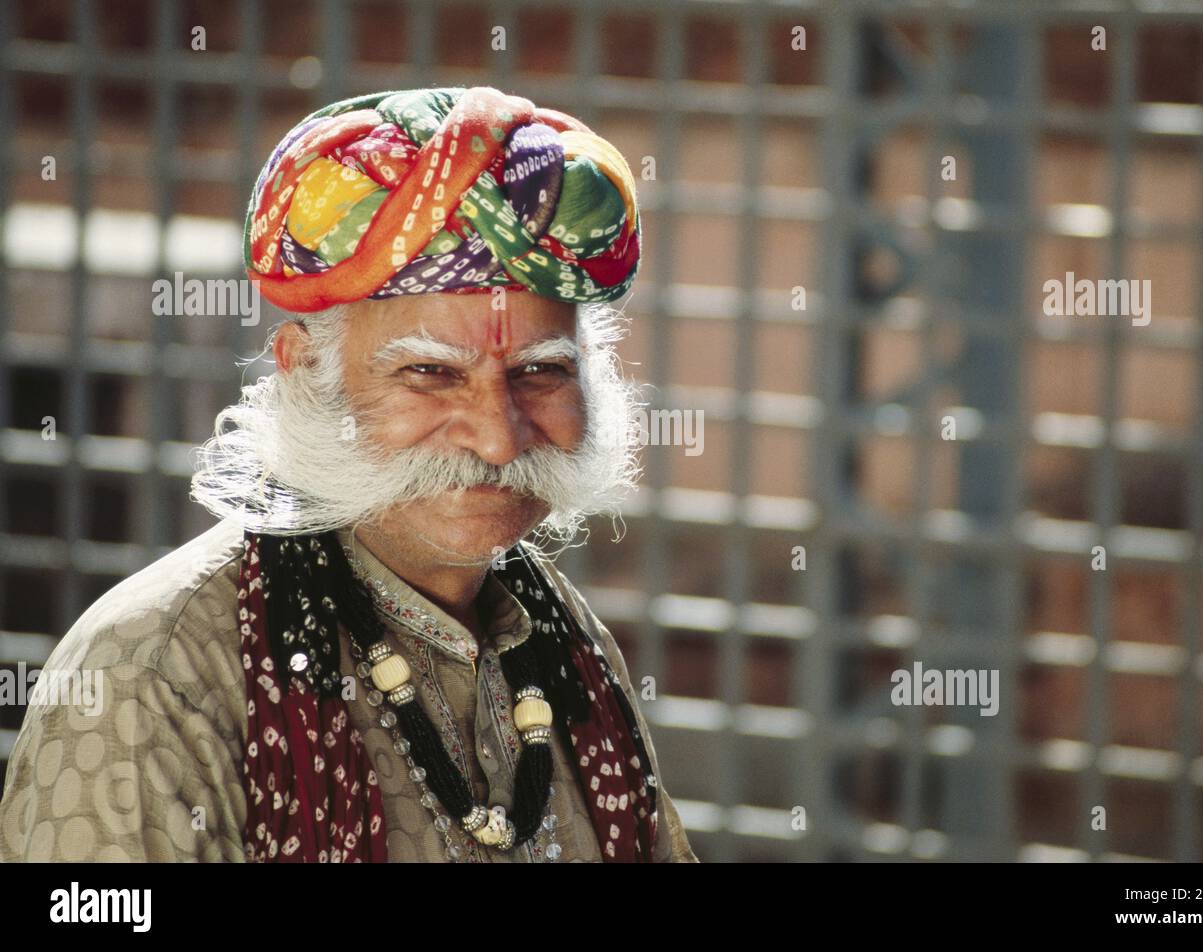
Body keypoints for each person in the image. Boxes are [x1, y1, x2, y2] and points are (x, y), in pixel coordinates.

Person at [0, 85, 698, 863]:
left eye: (539, 372)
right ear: (307, 373)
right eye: (430, 372)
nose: (499, 439)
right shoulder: (156, 670)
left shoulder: (557, 636)